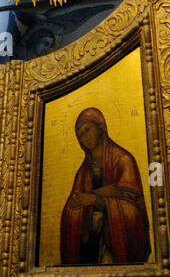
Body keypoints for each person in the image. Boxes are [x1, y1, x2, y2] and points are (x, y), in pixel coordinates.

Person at [60, 108, 150, 265]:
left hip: (115, 236)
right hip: (91, 240)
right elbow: (73, 205)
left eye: (88, 130)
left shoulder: (123, 160)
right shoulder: (84, 170)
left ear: (100, 126)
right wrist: (96, 196)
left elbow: (133, 210)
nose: (84, 138)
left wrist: (95, 200)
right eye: (80, 135)